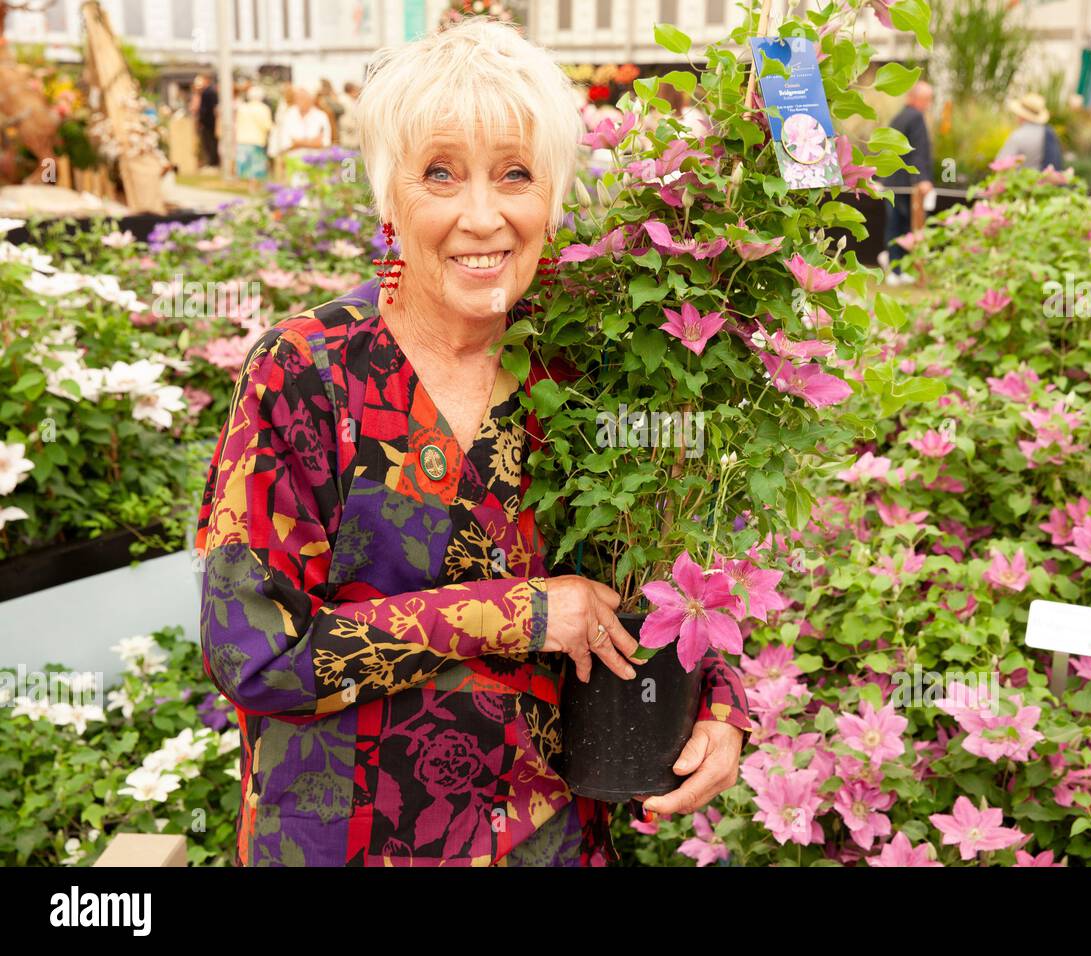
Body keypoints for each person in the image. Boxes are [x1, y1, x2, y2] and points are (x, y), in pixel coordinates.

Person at [193, 18, 751, 867]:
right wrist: (517, 612)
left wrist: (720, 703)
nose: (482, 215)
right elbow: (255, 653)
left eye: (516, 174)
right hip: (342, 842)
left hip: (548, 839)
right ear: (389, 197)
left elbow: (662, 578)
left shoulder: (582, 369)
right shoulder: (307, 371)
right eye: (441, 174)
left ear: (554, 197)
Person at [878, 81, 933, 282]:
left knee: (895, 225)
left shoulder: (899, 117)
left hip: (891, 181)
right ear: (914, 97)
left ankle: (896, 268)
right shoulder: (916, 117)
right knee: (902, 227)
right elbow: (920, 151)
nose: (928, 104)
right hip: (904, 183)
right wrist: (923, 179)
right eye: (927, 99)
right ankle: (895, 269)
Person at [995, 92, 1064, 172]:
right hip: (1042, 181)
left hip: (1019, 182)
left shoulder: (1018, 136)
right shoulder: (1049, 132)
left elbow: (1000, 164)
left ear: (1021, 115)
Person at [274, 85, 333, 160]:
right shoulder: (288, 115)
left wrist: (298, 142)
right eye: (298, 98)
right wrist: (312, 142)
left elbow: (324, 142)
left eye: (303, 98)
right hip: (293, 163)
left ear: (312, 99)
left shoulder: (321, 116)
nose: (300, 101)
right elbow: (285, 143)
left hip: (316, 164)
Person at [234, 85, 274, 182]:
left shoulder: (242, 108)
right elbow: (267, 125)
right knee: (256, 167)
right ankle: (253, 186)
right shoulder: (263, 108)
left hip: (242, 140)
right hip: (256, 140)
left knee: (244, 165)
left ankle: (246, 185)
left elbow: (237, 123)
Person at [194, 73, 219, 169]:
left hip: (208, 122)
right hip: (210, 121)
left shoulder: (207, 92)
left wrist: (201, 120)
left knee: (210, 142)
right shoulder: (211, 91)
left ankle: (212, 162)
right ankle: (212, 161)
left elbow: (205, 109)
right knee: (211, 142)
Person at [337, 81, 362, 150]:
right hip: (347, 134)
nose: (358, 93)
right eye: (356, 90)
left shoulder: (352, 101)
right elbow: (345, 120)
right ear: (351, 90)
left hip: (354, 134)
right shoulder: (344, 102)